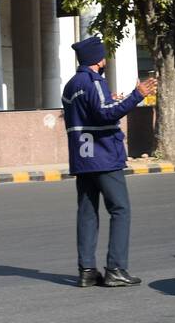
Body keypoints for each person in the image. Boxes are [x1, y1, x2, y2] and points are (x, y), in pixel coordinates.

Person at [62, 35, 158, 288]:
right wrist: (136, 95)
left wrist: (113, 99)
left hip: (82, 160)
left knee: (87, 213)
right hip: (103, 156)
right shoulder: (94, 82)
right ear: (98, 59)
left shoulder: (71, 85)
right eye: (103, 55)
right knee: (120, 210)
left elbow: (90, 111)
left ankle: (87, 271)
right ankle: (116, 268)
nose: (106, 60)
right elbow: (106, 114)